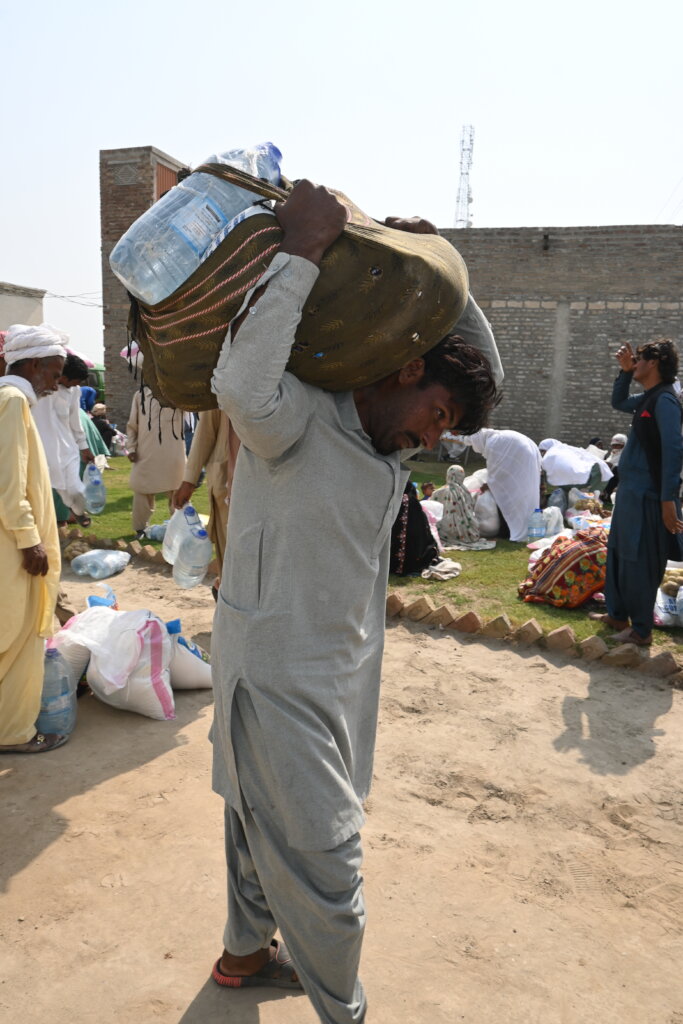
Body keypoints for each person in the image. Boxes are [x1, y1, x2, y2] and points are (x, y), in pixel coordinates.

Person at [207, 180, 500, 1022]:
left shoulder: (385, 447)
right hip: (276, 677)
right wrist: (301, 251)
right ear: (406, 371)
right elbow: (239, 384)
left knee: (253, 819)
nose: (432, 437)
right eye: (435, 414)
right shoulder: (295, 419)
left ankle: (239, 959)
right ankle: (345, 1009)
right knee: (327, 857)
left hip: (336, 674)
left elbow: (485, 371)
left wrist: (434, 263)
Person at [0, 324, 67, 754]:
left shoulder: (14, 401)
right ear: (35, 364)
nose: (58, 381)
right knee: (18, 637)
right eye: (55, 371)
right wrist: (29, 539)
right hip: (13, 548)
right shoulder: (11, 401)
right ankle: (14, 734)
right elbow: (8, 481)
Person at [590, 339, 683, 645]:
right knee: (618, 553)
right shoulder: (648, 397)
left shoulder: (665, 402)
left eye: (639, 358)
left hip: (648, 495)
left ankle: (641, 629)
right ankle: (617, 614)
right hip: (630, 493)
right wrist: (625, 373)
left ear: (654, 362)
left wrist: (668, 498)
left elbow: (673, 449)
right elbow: (618, 401)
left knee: (640, 559)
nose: (635, 361)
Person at [172, 410, 241, 592]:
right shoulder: (221, 384)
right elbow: (206, 432)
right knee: (232, 557)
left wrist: (189, 480)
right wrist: (189, 479)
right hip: (229, 481)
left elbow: (204, 432)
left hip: (255, 483)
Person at [32, 350, 95, 525]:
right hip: (42, 446)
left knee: (75, 488)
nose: (74, 385)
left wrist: (84, 447)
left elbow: (75, 421)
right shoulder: (38, 387)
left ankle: (78, 511)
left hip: (67, 447)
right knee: (51, 488)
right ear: (61, 375)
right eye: (71, 381)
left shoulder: (74, 392)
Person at [459, 427, 542, 541]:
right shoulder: (498, 439)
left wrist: (488, 485)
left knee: (506, 499)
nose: (475, 448)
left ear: (478, 440)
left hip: (523, 460)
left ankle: (507, 532)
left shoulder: (494, 443)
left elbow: (496, 473)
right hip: (526, 461)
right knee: (523, 498)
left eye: (474, 445)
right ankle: (523, 528)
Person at [126, 385, 186, 536]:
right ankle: (140, 528)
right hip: (146, 451)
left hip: (173, 451)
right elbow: (132, 425)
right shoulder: (140, 395)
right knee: (142, 488)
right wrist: (132, 449)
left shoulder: (178, 392)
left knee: (178, 489)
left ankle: (181, 527)